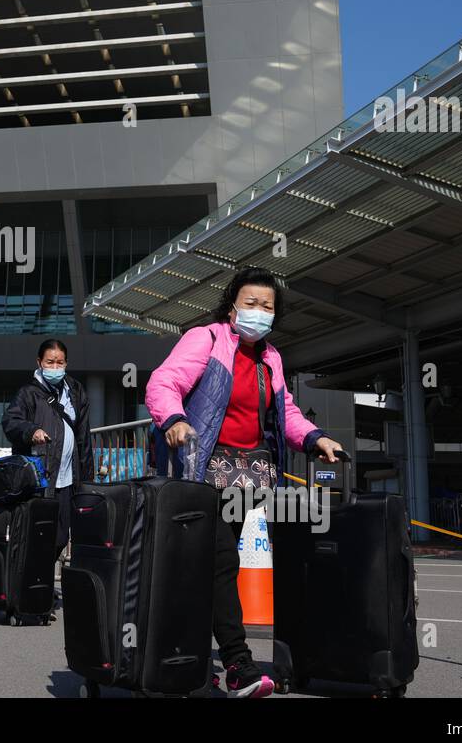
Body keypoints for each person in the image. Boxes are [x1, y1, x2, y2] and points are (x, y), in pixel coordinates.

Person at [145, 266, 344, 699]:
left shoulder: (271, 357)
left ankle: (192, 663)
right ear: (232, 304)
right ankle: (238, 664)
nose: (258, 312)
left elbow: (284, 411)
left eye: (267, 306)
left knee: (206, 571)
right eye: (250, 303)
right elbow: (164, 381)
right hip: (203, 471)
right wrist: (174, 419)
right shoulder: (208, 339)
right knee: (219, 565)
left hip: (249, 477)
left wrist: (315, 437)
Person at [1, 339, 92, 557]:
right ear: (39, 362)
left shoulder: (75, 390)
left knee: (60, 537)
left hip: (68, 480)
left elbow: (84, 438)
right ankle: (27, 586)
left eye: (60, 363)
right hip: (39, 480)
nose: (55, 368)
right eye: (50, 362)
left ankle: (40, 584)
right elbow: (10, 421)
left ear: (66, 363)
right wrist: (31, 431)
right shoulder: (28, 393)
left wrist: (87, 482)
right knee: (35, 537)